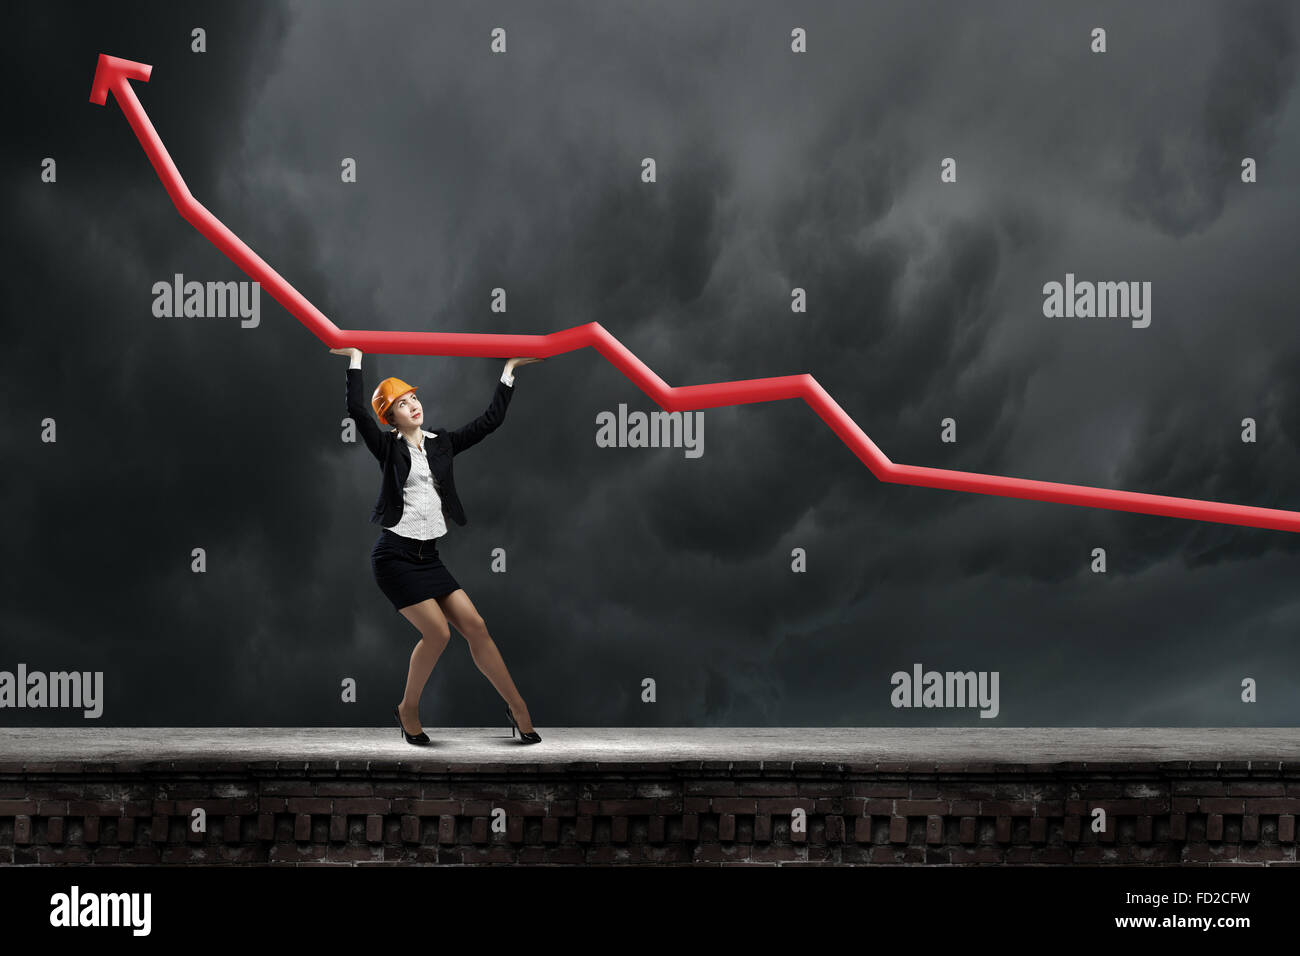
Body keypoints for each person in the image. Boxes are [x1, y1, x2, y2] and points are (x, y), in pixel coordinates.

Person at [330, 346, 544, 745]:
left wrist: (509, 369)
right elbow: (357, 412)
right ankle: (407, 708)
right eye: (402, 403)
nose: (413, 406)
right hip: (394, 558)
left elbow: (488, 423)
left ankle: (517, 707)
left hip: (430, 558)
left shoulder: (442, 443)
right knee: (438, 634)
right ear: (390, 416)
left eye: (414, 398)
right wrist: (355, 359)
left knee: (476, 627)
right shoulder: (388, 447)